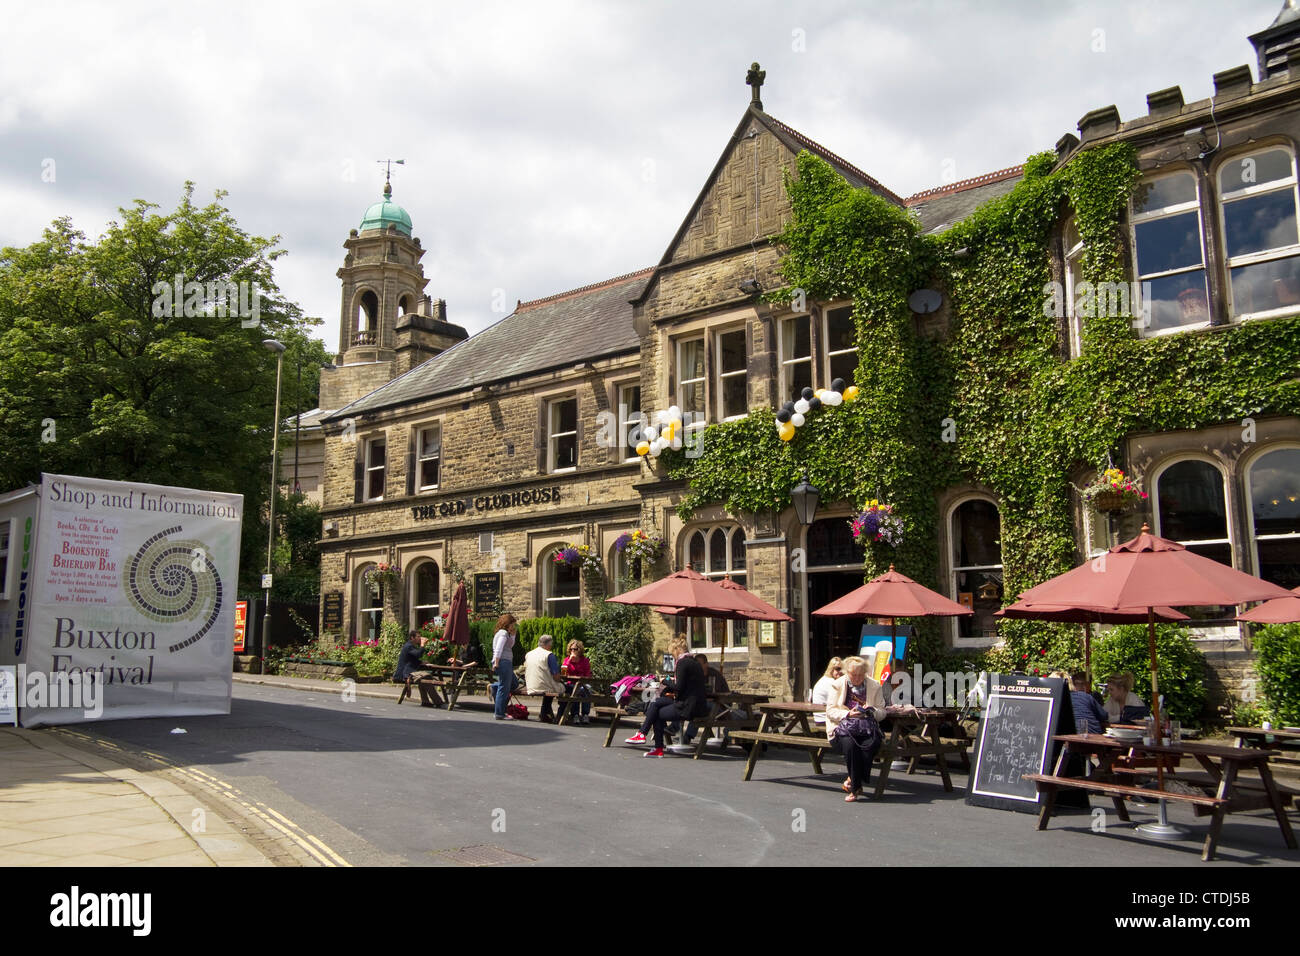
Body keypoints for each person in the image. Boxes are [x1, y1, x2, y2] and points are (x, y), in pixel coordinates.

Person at [624, 636, 708, 757]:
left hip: (687, 707)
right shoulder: (694, 662)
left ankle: (652, 742)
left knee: (656, 712)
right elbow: (686, 684)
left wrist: (665, 680)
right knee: (656, 703)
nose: (673, 656)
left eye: (672, 653)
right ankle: (643, 736)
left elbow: (678, 687)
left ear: (677, 649)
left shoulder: (682, 663)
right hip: (698, 705)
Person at [825, 655, 890, 802]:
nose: (857, 678)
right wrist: (848, 713)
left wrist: (872, 710)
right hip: (843, 728)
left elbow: (882, 712)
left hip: (867, 728)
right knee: (850, 746)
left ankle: (853, 779)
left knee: (871, 744)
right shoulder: (838, 684)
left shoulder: (874, 686)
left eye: (861, 675)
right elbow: (830, 711)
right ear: (847, 672)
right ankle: (855, 788)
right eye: (853, 674)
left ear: (866, 673)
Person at [524, 633, 567, 723]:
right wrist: (561, 679)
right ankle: (560, 716)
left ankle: (545, 713)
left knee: (549, 687)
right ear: (548, 644)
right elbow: (555, 676)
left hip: (530, 686)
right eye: (551, 645)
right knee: (568, 690)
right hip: (544, 686)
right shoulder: (549, 655)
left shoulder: (529, 654)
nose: (551, 647)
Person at [394, 630, 443, 707]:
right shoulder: (409, 646)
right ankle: (438, 702)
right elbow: (418, 654)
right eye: (418, 637)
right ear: (412, 638)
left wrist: (421, 662)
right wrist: (422, 645)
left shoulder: (411, 646)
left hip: (409, 672)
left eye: (420, 636)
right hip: (406, 673)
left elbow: (411, 659)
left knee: (424, 679)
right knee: (426, 677)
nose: (420, 638)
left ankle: (425, 701)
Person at [491, 613, 519, 720]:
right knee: (504, 688)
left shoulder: (505, 633)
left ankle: (494, 687)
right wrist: (496, 662)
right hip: (503, 661)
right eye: (512, 624)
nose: (513, 626)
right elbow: (499, 649)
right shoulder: (502, 633)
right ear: (507, 624)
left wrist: (513, 635)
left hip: (506, 661)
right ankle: (499, 713)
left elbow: (510, 645)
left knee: (514, 683)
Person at [559, 639, 593, 725]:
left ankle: (585, 714)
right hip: (570, 683)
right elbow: (563, 673)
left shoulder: (584, 660)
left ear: (580, 650)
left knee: (586, 690)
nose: (573, 651)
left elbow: (588, 674)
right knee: (575, 691)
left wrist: (582, 679)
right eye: (571, 649)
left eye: (575, 649)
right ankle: (575, 715)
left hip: (582, 683)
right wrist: (569, 661)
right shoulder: (567, 660)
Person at [810, 657, 843, 726]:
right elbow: (840, 702)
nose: (841, 672)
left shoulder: (824, 679)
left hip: (819, 718)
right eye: (838, 669)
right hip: (825, 720)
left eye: (843, 669)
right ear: (831, 669)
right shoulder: (832, 683)